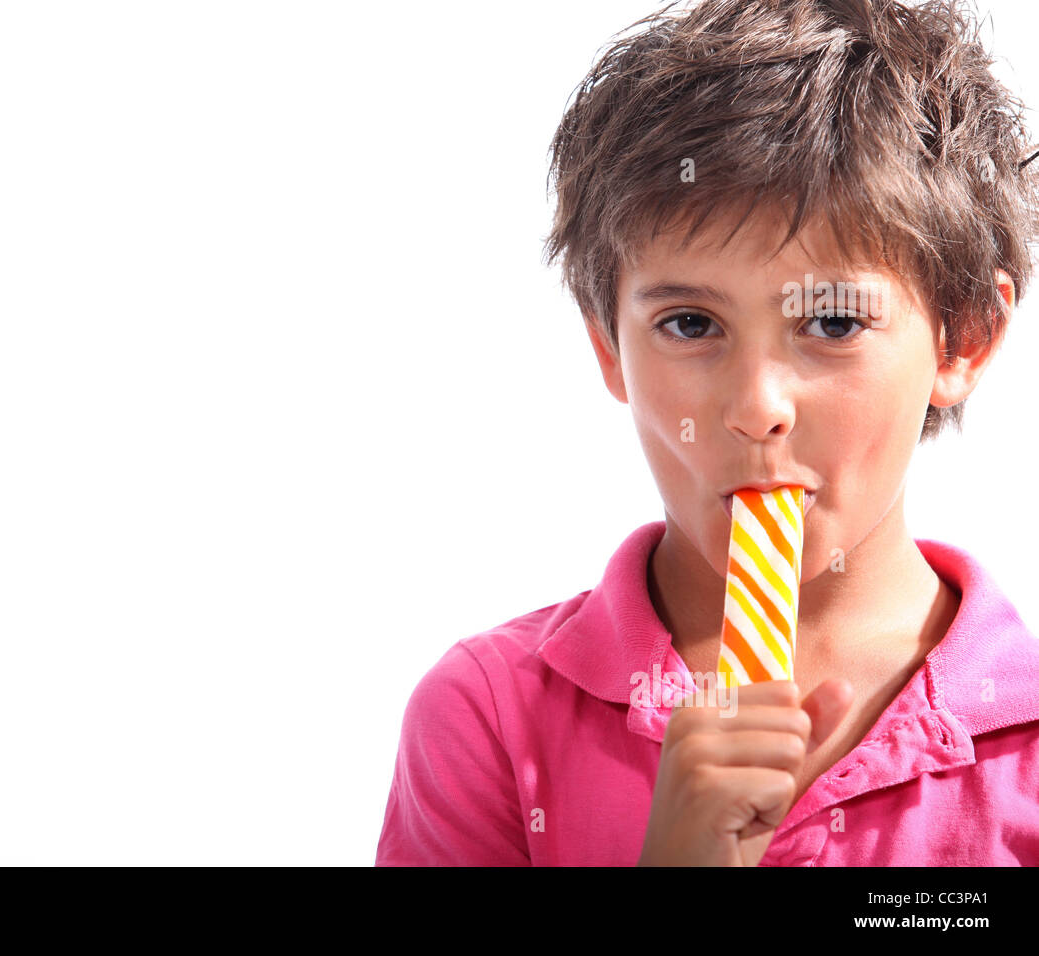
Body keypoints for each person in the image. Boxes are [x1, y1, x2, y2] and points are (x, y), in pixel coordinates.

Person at [375, 0, 1039, 866]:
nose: (757, 407)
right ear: (608, 345)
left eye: (833, 323)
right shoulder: (492, 716)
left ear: (963, 338)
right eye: (690, 325)